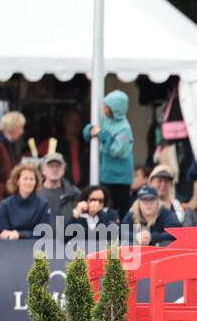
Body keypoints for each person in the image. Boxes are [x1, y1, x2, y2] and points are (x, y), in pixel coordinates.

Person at [83, 90, 135, 218]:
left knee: (120, 209)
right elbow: (90, 130)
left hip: (120, 178)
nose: (104, 109)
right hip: (105, 174)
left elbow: (118, 151)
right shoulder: (104, 119)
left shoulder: (124, 129)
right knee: (105, 207)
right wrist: (89, 130)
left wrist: (103, 135)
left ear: (115, 109)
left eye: (107, 107)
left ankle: (122, 233)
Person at [0, 163, 50, 240]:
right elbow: (2, 233)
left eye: (31, 179)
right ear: (18, 181)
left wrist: (19, 234)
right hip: (11, 247)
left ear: (36, 182)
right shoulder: (5, 205)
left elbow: (44, 233)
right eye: (25, 178)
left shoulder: (43, 204)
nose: (28, 182)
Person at [38, 152, 81, 225]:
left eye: (58, 166)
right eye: (51, 166)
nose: (55, 169)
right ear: (43, 170)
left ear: (63, 170)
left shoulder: (74, 194)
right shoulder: (35, 193)